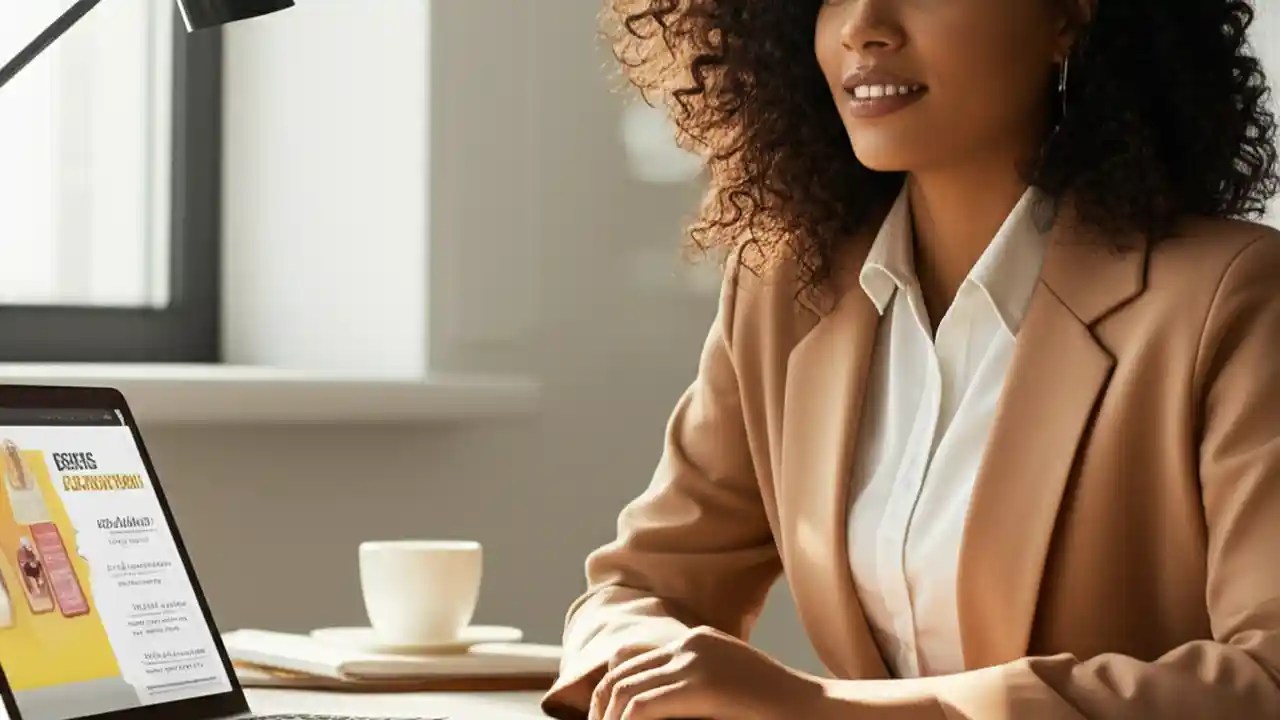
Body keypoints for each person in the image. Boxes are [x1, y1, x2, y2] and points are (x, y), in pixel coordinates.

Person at [542, 1, 1280, 719]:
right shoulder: (783, 290)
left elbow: (1266, 678)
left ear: (1067, 17)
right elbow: (635, 592)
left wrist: (826, 709)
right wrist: (653, 670)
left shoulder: (1233, 300)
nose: (865, 26)